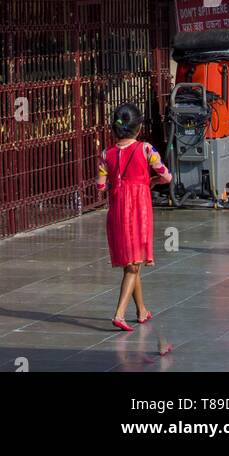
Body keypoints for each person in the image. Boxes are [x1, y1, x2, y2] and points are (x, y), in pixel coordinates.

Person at [96, 102, 172, 332]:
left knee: (131, 263)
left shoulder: (105, 154)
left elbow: (100, 187)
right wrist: (151, 181)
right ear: (138, 128)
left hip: (118, 208)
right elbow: (166, 176)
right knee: (134, 264)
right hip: (138, 207)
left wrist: (116, 182)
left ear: (114, 129)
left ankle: (141, 310)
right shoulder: (146, 150)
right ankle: (119, 314)